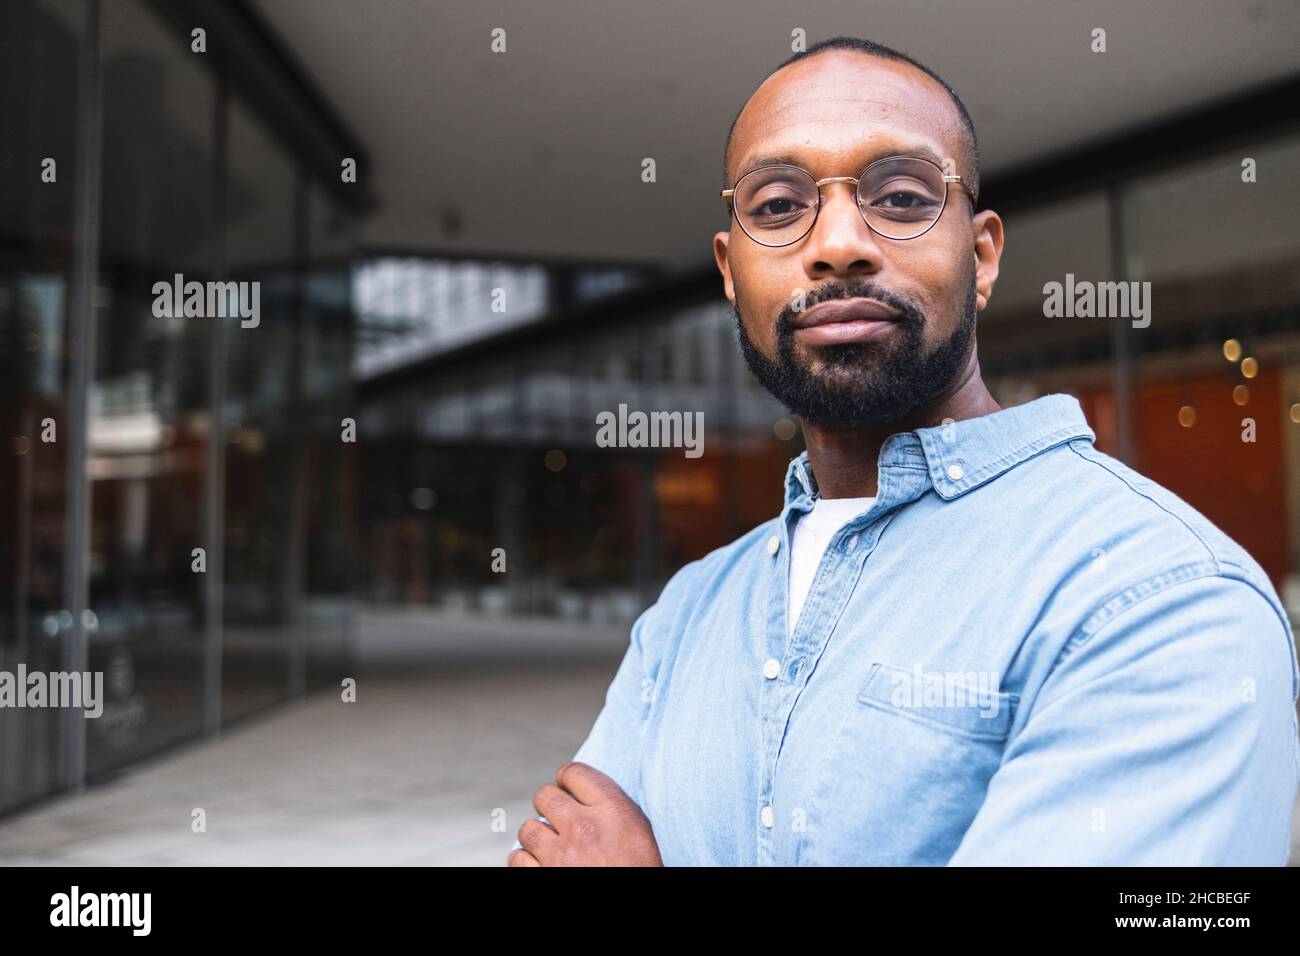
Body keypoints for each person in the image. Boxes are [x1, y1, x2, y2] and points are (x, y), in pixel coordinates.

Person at [508, 36, 1300, 866]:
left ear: (983, 254)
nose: (839, 242)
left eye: (901, 197)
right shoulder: (688, 612)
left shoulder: (1158, 601)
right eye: (778, 206)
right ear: (731, 272)